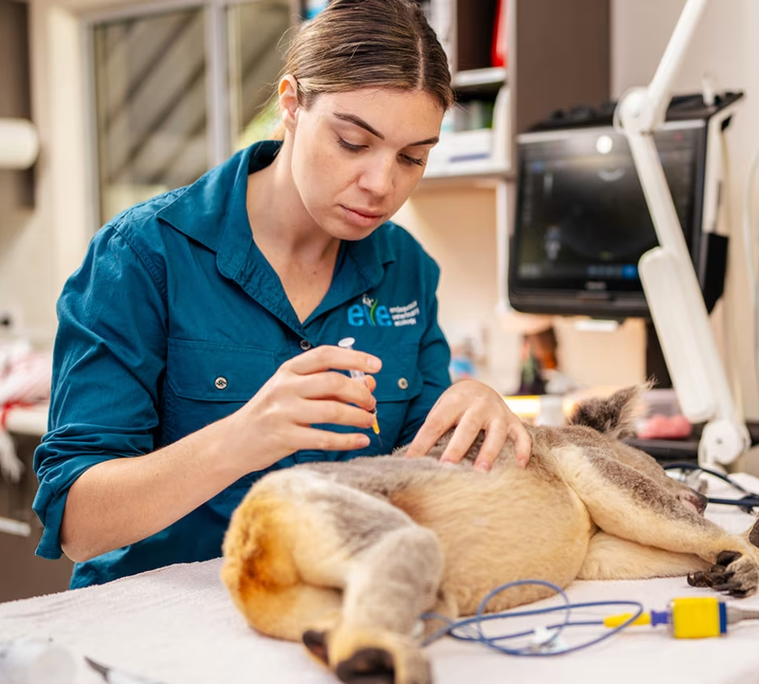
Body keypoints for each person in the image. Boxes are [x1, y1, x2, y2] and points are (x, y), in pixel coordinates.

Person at [32, 0, 531, 589]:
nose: (381, 184)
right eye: (352, 142)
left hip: (323, 618)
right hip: (161, 633)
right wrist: (243, 437)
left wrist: (471, 411)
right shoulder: (144, 255)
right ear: (292, 104)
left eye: (412, 157)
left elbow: (420, 476)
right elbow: (77, 524)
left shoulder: (406, 269)